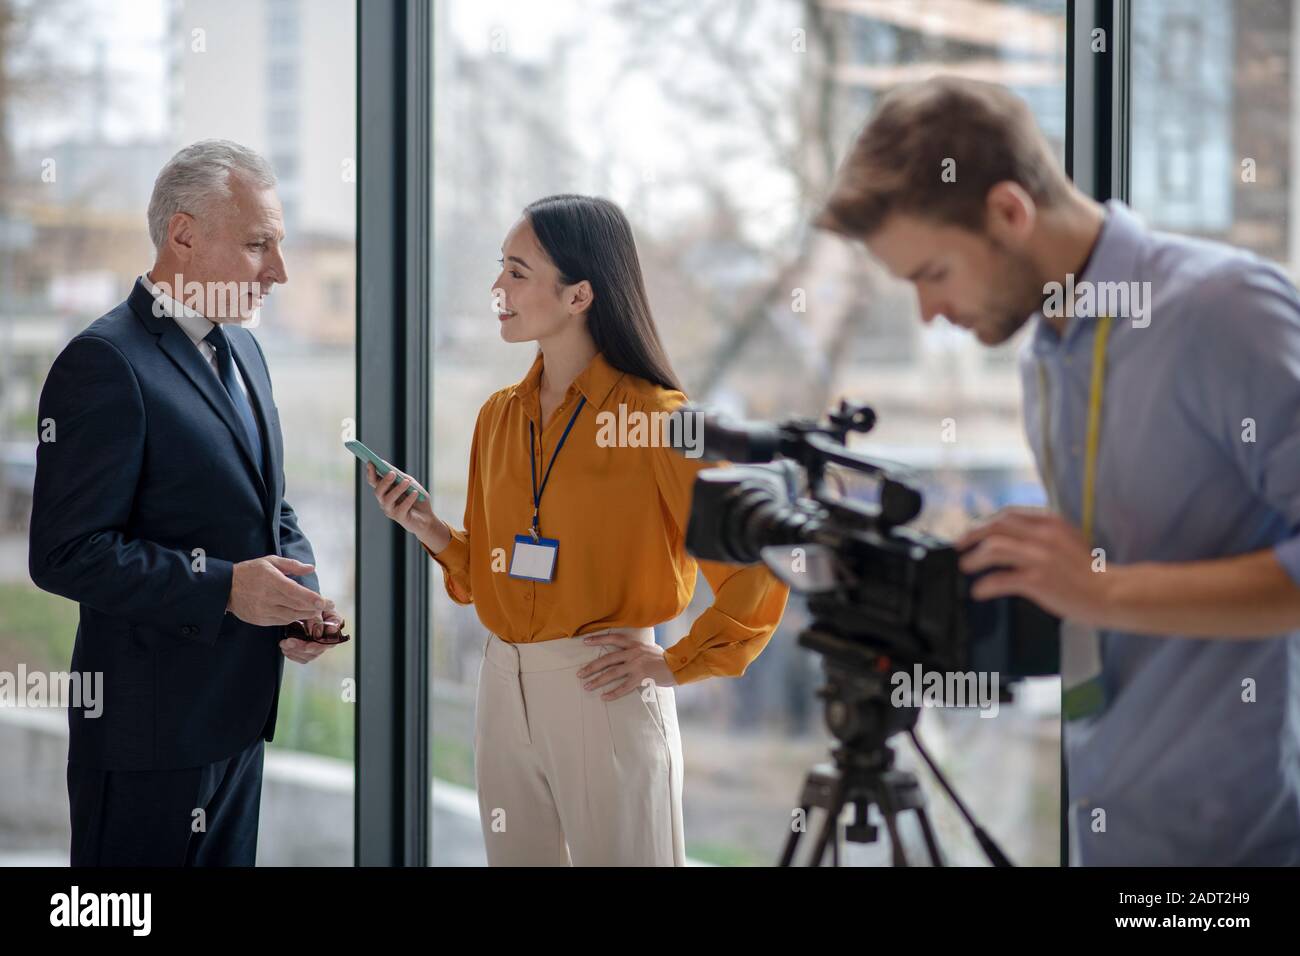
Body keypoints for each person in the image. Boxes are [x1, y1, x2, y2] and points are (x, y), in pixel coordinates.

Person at [817, 77, 1300, 866]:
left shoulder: (1225, 310)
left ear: (1010, 211)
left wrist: (1104, 592)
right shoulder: (1045, 353)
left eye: (931, 273)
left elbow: (1106, 588)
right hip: (1107, 828)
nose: (929, 314)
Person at [366, 194, 790, 865]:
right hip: (502, 685)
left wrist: (677, 662)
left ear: (579, 295)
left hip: (606, 688)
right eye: (501, 269)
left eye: (517, 271)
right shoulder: (497, 418)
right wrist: (429, 527)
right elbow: (489, 577)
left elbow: (758, 564)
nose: (497, 288)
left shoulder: (660, 420)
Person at [28, 140, 344, 866]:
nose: (281, 272)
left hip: (236, 727)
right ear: (183, 235)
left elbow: (270, 509)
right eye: (259, 244)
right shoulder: (104, 362)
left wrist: (303, 596)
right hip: (147, 740)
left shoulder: (246, 351)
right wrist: (226, 588)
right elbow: (64, 553)